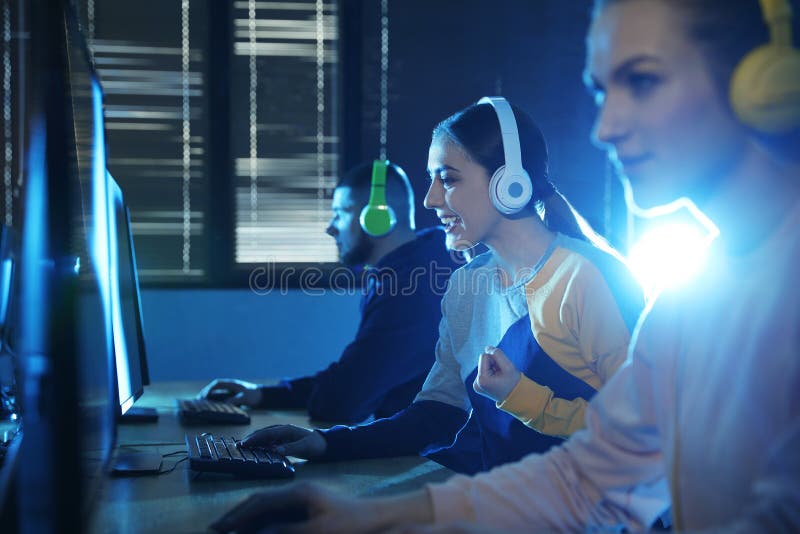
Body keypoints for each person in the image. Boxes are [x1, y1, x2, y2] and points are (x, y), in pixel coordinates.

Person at [209, 0, 800, 532]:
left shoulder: (617, 283)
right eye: (600, 92)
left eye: (642, 80)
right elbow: (591, 474)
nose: (605, 128)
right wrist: (371, 511)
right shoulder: (691, 302)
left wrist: (517, 397)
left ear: (763, 84)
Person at [226, 97, 644, 478]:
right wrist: (327, 442)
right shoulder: (466, 286)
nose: (429, 199)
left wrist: (521, 395)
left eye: (448, 179)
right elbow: (436, 414)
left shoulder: (589, 278)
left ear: (509, 183)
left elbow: (640, 431)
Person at [199, 160, 457, 424]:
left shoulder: (411, 290)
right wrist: (264, 395)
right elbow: (353, 375)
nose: (330, 227)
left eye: (340, 213)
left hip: (429, 458)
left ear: (377, 218)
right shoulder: (409, 270)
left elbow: (340, 403)